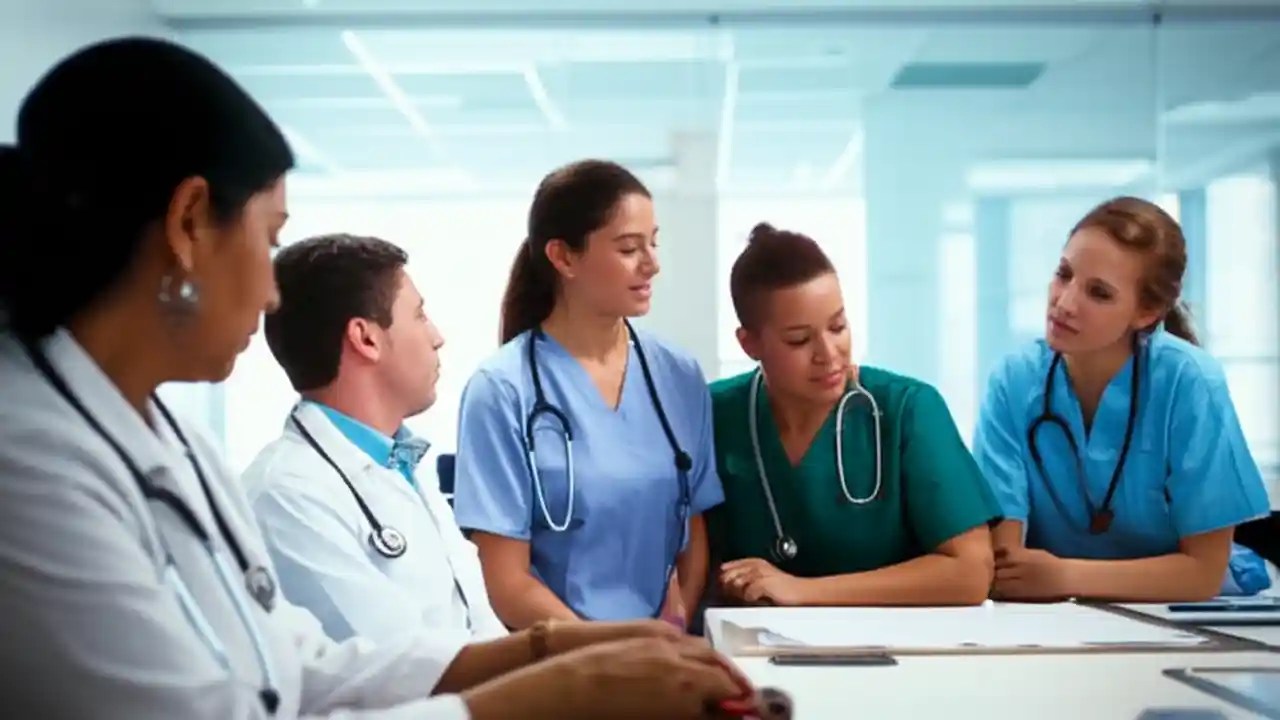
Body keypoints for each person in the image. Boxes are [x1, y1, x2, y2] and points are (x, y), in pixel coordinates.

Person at [0, 36, 754, 719]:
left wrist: (555, 650)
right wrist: (562, 689)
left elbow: (298, 663)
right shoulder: (28, 466)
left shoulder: (169, 442)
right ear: (189, 221)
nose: (270, 293)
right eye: (269, 239)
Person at [451, 160, 725, 628]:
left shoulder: (677, 376)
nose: (652, 264)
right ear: (564, 258)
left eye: (653, 243)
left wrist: (671, 631)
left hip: (662, 654)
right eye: (628, 248)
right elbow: (506, 582)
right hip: (557, 664)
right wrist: (602, 657)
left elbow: (692, 529)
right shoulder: (501, 391)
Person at [973, 196, 1272, 603]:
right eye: (1064, 274)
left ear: (1147, 311)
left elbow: (1202, 573)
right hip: (1054, 616)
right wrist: (1048, 579)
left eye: (1098, 293)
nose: (1064, 302)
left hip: (1176, 616)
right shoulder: (1014, 380)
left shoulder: (1190, 383)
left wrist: (1064, 575)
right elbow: (1006, 563)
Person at [706, 223, 999, 608]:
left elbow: (971, 572)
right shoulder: (714, 414)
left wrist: (801, 591)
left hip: (900, 651)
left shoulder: (907, 410)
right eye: (799, 339)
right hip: (753, 651)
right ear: (750, 344)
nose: (829, 353)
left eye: (838, 326)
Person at [241, 233, 506, 657]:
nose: (437, 337)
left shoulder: (400, 462)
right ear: (365, 338)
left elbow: (481, 624)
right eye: (420, 315)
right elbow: (405, 667)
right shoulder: (286, 495)